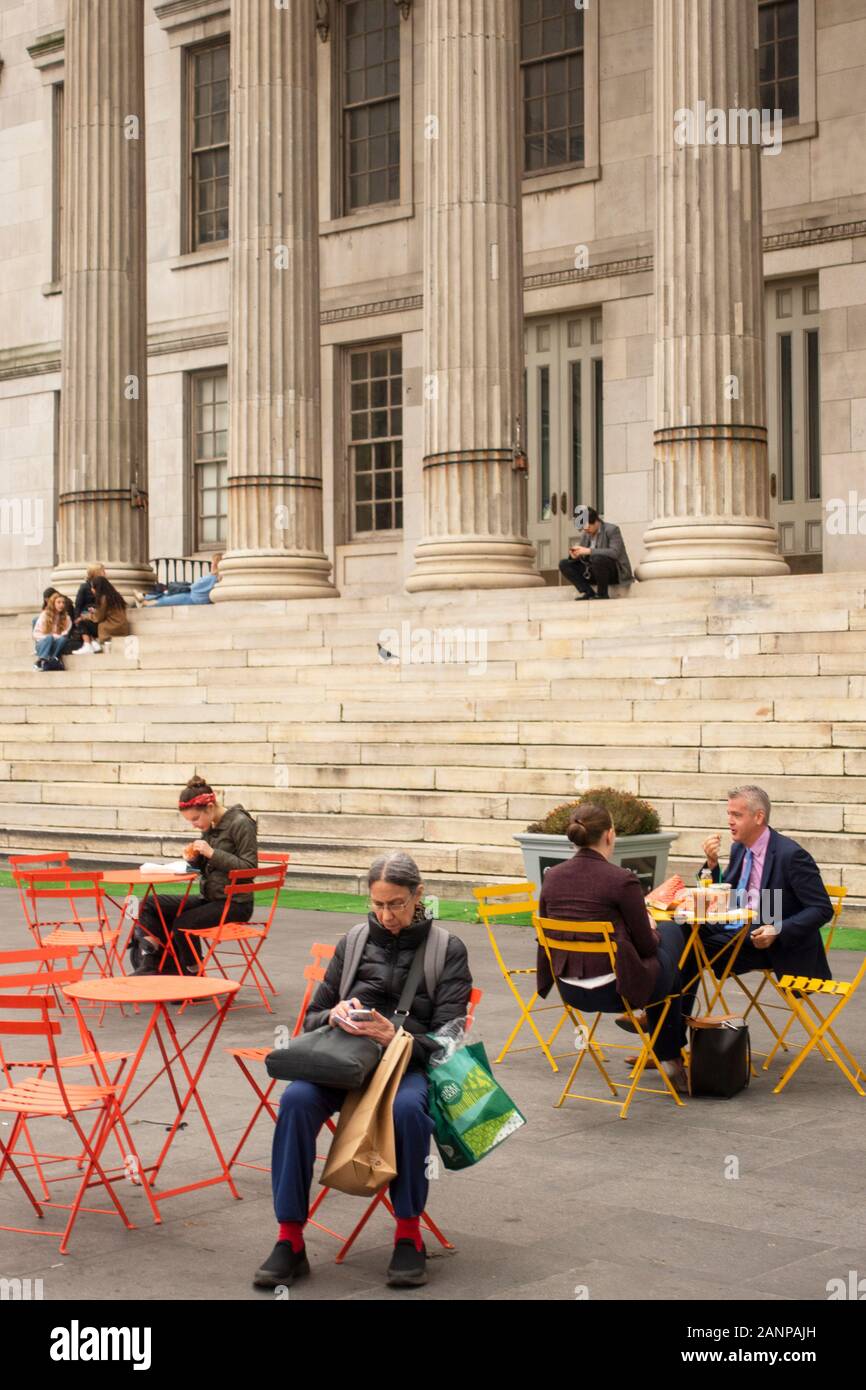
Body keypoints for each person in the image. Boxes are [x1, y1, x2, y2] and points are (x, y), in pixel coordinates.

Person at [254, 851, 472, 1293]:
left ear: (419, 896)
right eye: (378, 905)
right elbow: (312, 1018)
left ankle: (408, 1233)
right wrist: (334, 1015)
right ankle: (289, 1240)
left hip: (407, 1064)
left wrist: (398, 1037)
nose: (387, 915)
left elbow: (451, 1037)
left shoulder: (446, 948)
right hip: (345, 1060)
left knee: (409, 1111)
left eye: (397, 904)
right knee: (294, 1101)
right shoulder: (353, 941)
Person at [535, 802, 694, 1092]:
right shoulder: (622, 880)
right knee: (673, 936)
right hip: (620, 990)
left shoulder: (552, 877)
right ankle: (669, 1055)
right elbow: (646, 947)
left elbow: (546, 933)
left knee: (671, 978)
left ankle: (666, 1048)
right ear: (610, 835)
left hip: (570, 988)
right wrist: (653, 929)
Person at [699, 785, 832, 982]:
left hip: (769, 942)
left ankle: (675, 1012)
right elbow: (725, 896)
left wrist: (777, 929)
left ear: (759, 817)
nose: (730, 821)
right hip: (734, 926)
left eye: (737, 815)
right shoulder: (739, 849)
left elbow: (822, 909)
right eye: (729, 814)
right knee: (679, 933)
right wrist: (711, 865)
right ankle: (675, 1012)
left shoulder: (791, 856)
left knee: (693, 949)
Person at [129, 774, 258, 976]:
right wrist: (194, 859)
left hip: (235, 904)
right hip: (210, 898)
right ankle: (151, 962)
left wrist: (212, 853)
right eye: (190, 821)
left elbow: (250, 868)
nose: (194, 824)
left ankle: (193, 975)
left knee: (182, 924)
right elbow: (207, 866)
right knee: (150, 903)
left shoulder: (241, 823)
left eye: (195, 819)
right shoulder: (211, 825)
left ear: (209, 807)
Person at [559, 507, 634, 600]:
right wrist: (575, 555)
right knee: (564, 563)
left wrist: (589, 551)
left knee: (597, 558)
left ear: (596, 521)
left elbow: (615, 552)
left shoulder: (612, 530)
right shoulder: (586, 534)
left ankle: (602, 594)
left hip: (613, 572)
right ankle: (588, 592)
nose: (585, 530)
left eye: (587, 526)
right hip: (592, 571)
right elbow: (583, 556)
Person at [135, 554, 222, 607]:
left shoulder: (212, 578)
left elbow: (195, 586)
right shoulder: (215, 578)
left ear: (215, 565)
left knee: (167, 599)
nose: (211, 565)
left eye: (212, 563)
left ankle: (145, 602)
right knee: (166, 595)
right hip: (192, 596)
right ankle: (144, 598)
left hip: (192, 598)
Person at [74, 575, 129, 653]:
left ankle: (87, 645)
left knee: (82, 622)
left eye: (93, 587)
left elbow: (98, 618)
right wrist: (94, 611)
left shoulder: (103, 598)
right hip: (122, 628)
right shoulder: (115, 596)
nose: (92, 589)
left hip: (111, 628)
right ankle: (93, 643)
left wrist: (85, 616)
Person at [32, 592, 72, 670]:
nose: (61, 605)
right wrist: (52, 637)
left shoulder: (67, 618)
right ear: (53, 603)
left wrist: (55, 637)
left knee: (63, 639)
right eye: (58, 602)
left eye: (63, 603)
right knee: (49, 638)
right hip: (43, 644)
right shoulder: (44, 615)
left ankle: (50, 660)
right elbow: (35, 635)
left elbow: (64, 634)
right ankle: (41, 660)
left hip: (55, 645)